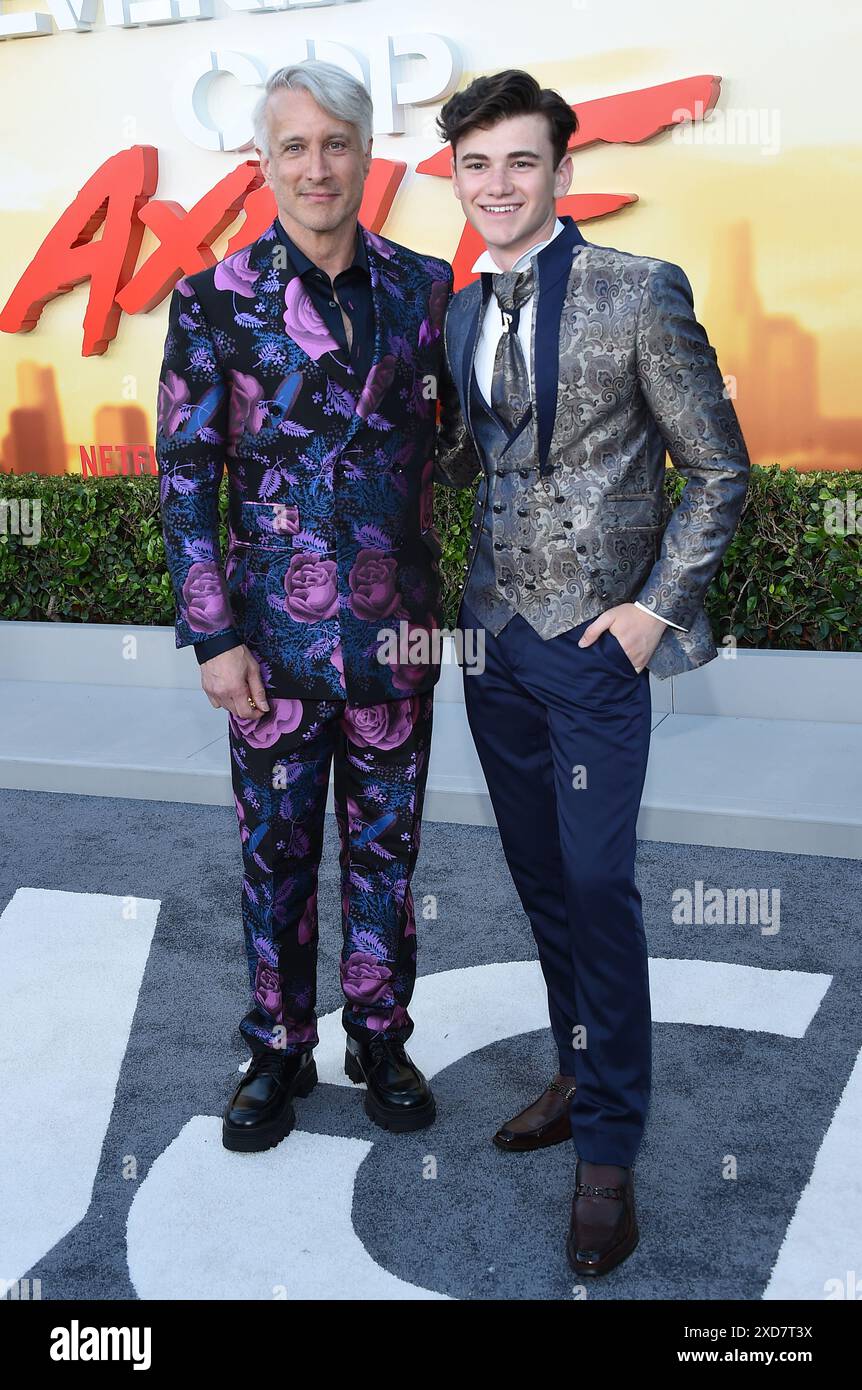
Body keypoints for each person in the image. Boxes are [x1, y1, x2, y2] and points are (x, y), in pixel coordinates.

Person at [433, 69, 750, 1275]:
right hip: (494, 644)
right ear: (454, 177)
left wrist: (646, 615)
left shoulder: (638, 290)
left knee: (600, 883)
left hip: (592, 651)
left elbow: (719, 469)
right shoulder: (463, 312)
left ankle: (609, 1149)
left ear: (562, 173)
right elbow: (476, 463)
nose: (497, 185)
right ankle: (578, 1067)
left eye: (520, 161)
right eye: (475, 164)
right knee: (540, 880)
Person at [156, 60, 453, 1152]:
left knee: (389, 850)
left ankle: (378, 1030)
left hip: (397, 636)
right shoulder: (212, 300)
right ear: (263, 164)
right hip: (268, 651)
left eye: (336, 143)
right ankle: (278, 1045)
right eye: (294, 146)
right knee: (274, 851)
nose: (317, 165)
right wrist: (213, 632)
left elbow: (462, 444)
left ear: (366, 153)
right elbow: (185, 476)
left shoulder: (426, 288)